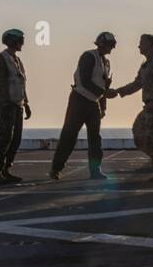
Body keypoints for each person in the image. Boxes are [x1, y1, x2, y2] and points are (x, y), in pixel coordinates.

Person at [50, 31, 118, 181]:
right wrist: (104, 94)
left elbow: (104, 85)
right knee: (69, 135)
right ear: (101, 43)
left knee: (95, 139)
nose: (111, 48)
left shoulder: (106, 63)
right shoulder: (88, 56)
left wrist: (103, 105)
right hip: (79, 100)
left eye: (112, 46)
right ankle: (56, 168)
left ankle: (95, 170)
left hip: (94, 103)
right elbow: (85, 81)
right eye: (109, 45)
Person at [114, 34, 153, 182]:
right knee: (138, 135)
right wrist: (117, 91)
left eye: (141, 43)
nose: (139, 46)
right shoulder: (146, 65)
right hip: (149, 107)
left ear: (150, 45)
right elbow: (137, 84)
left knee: (151, 137)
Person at [0, 28, 31, 184]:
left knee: (16, 139)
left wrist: (26, 103)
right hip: (6, 105)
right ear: (12, 41)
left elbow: (21, 84)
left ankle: (6, 169)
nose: (22, 43)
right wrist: (6, 105)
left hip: (18, 105)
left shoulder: (17, 61)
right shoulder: (1, 59)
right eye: (20, 40)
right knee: (5, 138)